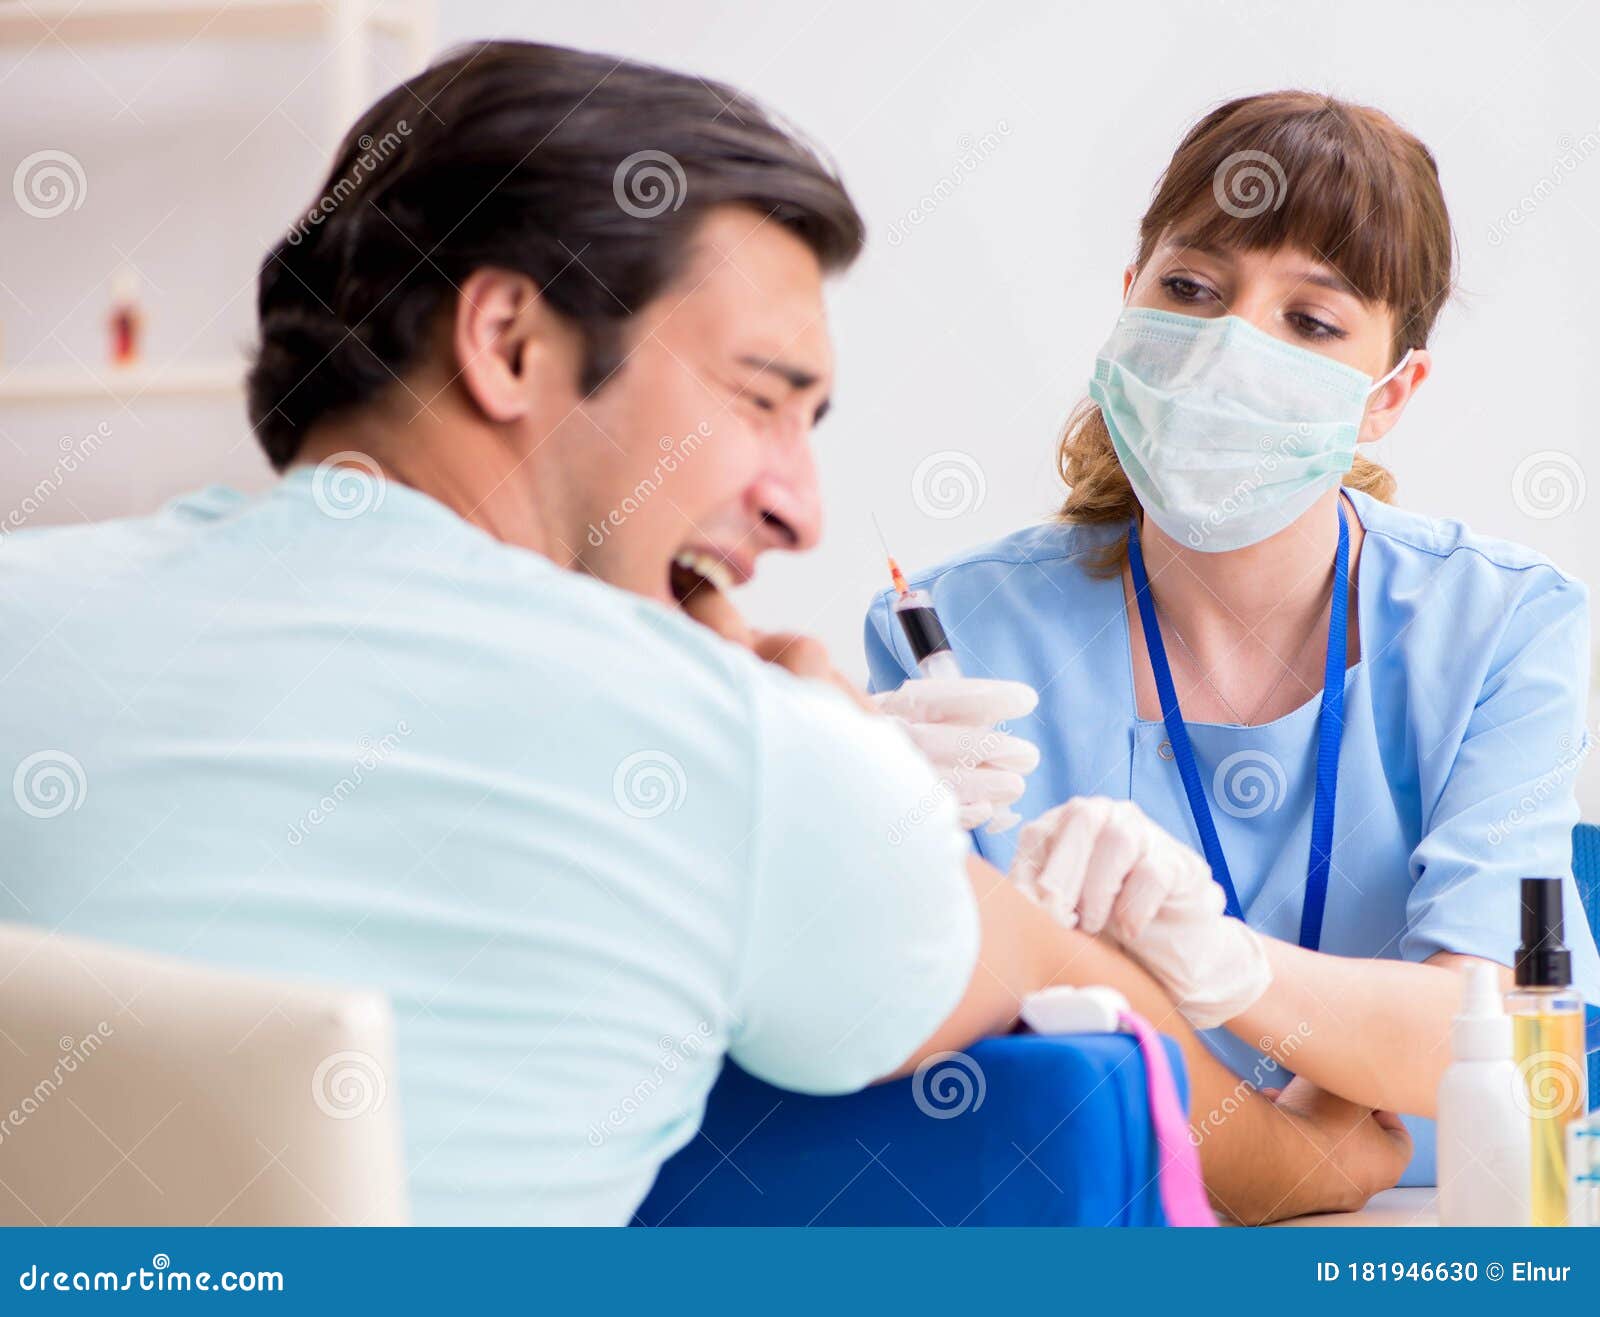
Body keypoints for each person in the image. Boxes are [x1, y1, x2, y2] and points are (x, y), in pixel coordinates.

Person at [1, 45, 1403, 1226]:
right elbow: (1155, 1074)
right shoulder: (736, 749)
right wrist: (1346, 1148)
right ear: (506, 343)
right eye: (759, 396)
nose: (797, 508)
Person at [868, 90, 1598, 1187]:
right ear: (1127, 305)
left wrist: (1223, 965)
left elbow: (1498, 1038)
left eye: (1310, 321)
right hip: (1107, 1223)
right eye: (1191, 288)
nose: (1223, 348)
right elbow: (944, 1034)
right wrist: (838, 815)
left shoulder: (1496, 621)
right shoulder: (952, 632)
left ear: (1388, 395)